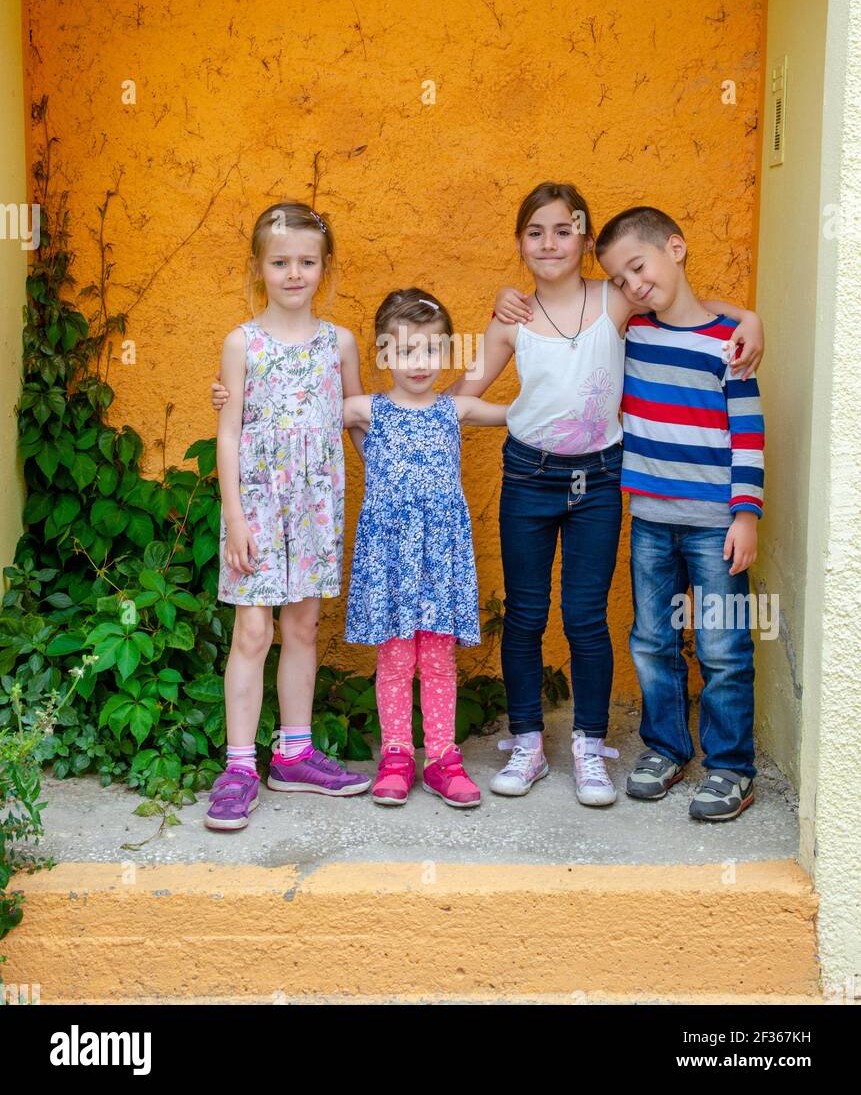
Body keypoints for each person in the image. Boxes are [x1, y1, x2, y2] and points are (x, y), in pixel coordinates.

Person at [464, 181, 763, 807]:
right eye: (535, 232)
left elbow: (695, 307)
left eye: (563, 230)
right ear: (519, 243)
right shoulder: (510, 317)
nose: (549, 242)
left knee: (586, 618)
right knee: (524, 615)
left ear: (583, 239)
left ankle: (589, 745)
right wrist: (378, 413)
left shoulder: (615, 300)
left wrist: (749, 317)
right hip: (527, 477)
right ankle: (528, 744)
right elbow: (464, 395)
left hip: (599, 482)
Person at [205, 201, 370, 831]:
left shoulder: (340, 342)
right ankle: (240, 765)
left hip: (316, 506)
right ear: (260, 268)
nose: (294, 273)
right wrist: (236, 517)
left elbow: (355, 420)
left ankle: (295, 755)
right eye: (281, 262)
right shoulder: (241, 343)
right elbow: (226, 435)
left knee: (303, 628)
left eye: (306, 262)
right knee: (253, 631)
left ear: (324, 268)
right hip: (256, 506)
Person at [596, 207, 764, 821]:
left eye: (638, 266)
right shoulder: (632, 331)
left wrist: (746, 515)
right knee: (653, 640)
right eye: (619, 279)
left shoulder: (730, 341)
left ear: (676, 247)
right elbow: (570, 299)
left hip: (717, 522)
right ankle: (667, 749)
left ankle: (731, 768)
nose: (633, 285)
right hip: (650, 520)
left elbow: (747, 431)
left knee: (723, 646)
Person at [342, 289, 510, 808]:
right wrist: (229, 396)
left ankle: (441, 758)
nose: (419, 363)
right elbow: (295, 411)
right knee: (394, 661)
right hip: (389, 556)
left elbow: (524, 413)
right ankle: (396, 756)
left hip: (440, 557)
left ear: (447, 353)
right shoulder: (364, 409)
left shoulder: (455, 409)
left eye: (432, 351)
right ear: (383, 355)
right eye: (405, 351)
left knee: (437, 660)